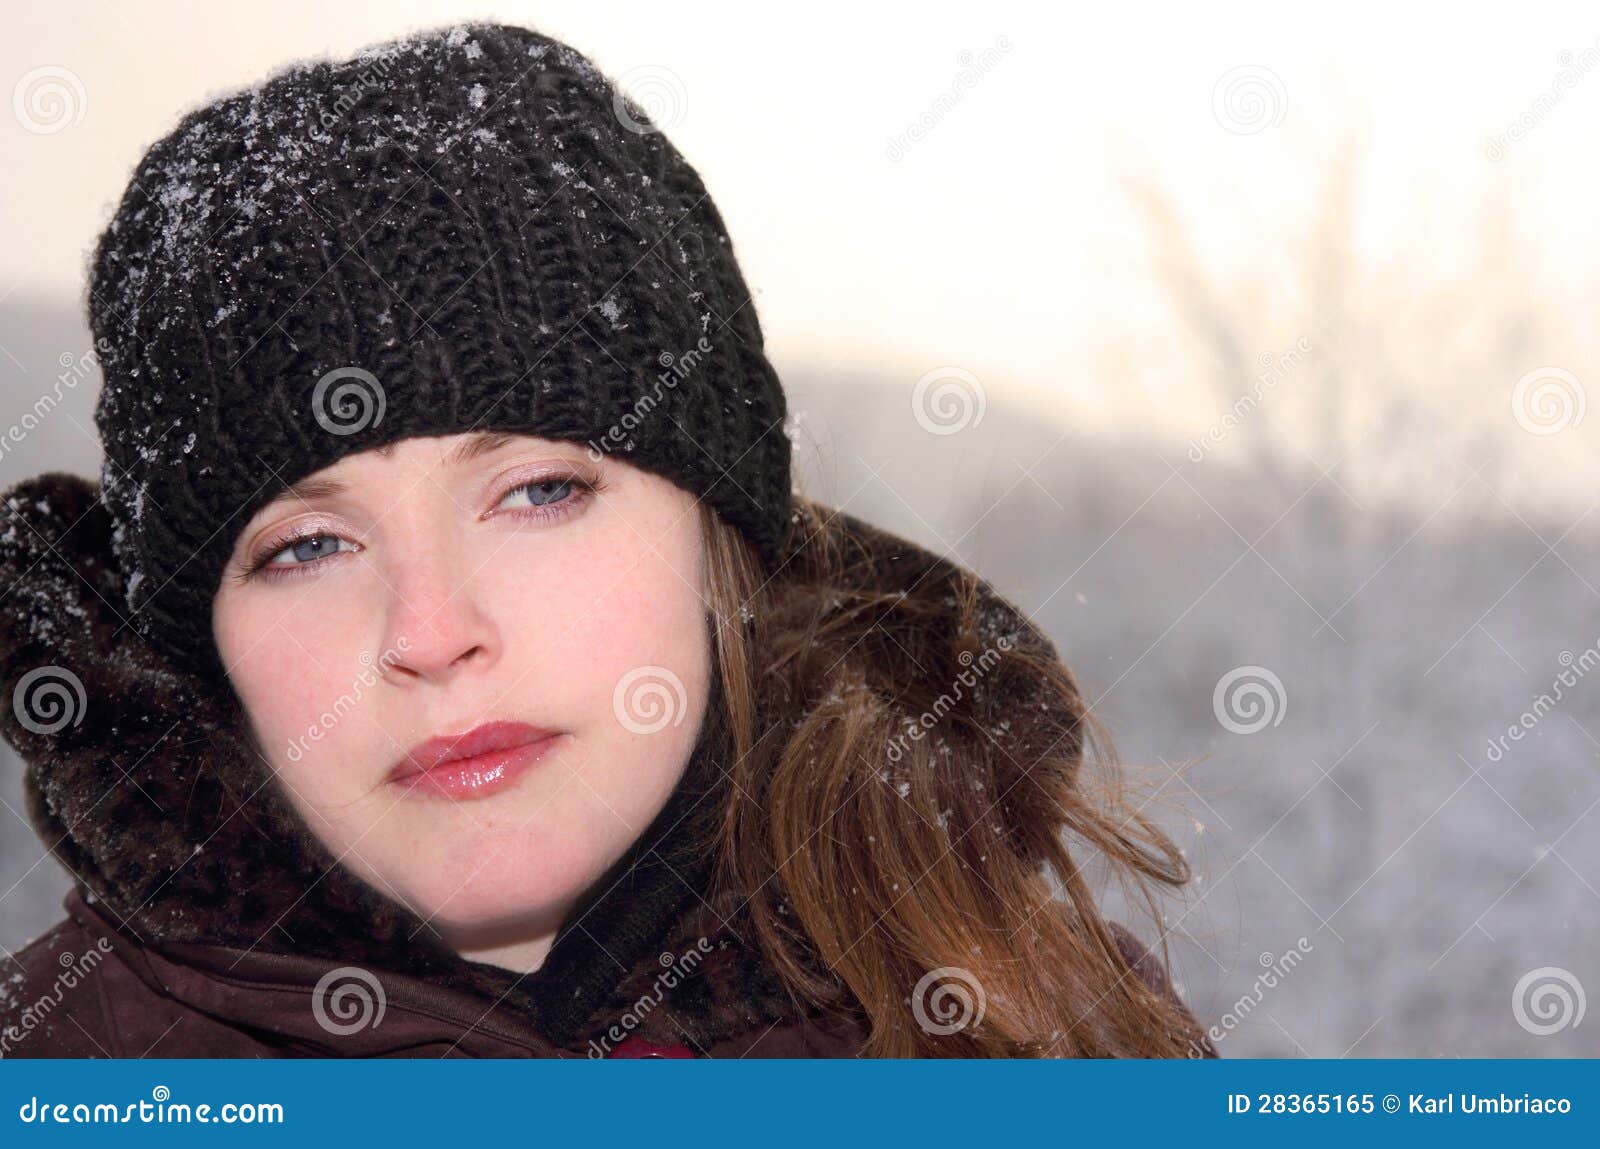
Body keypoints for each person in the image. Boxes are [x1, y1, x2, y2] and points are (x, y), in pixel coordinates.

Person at [0, 21, 1216, 1059]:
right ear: (198, 643)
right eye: (307, 547)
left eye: (536, 492)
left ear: (718, 534)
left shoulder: (1047, 1029)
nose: (430, 632)